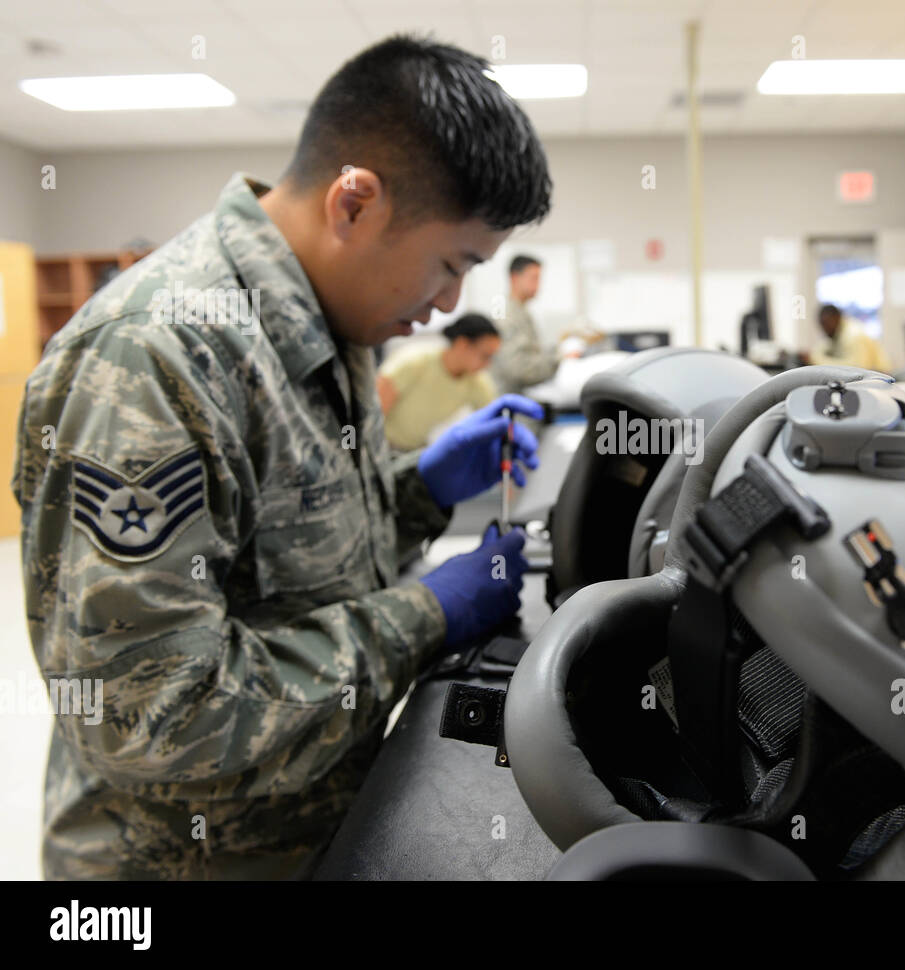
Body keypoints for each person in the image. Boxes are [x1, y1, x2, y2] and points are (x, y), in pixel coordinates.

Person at [12, 35, 552, 879]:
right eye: (451, 264)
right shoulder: (158, 355)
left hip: (313, 832)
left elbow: (278, 557)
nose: (449, 302)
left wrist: (420, 493)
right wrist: (430, 614)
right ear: (355, 203)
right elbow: (152, 713)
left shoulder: (332, 321)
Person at [377, 313, 502, 451]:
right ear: (463, 344)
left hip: (415, 449)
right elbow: (373, 414)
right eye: (485, 356)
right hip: (381, 444)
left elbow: (495, 421)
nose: (488, 364)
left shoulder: (477, 382)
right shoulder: (413, 362)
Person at [490, 254, 564, 393]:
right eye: (533, 278)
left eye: (539, 279)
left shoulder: (521, 310)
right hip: (507, 397)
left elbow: (531, 352)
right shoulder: (503, 311)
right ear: (514, 277)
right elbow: (518, 368)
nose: (538, 285)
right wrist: (558, 359)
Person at [808, 303, 892, 374]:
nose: (824, 329)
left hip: (881, 376)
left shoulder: (854, 335)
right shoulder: (836, 333)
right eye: (822, 325)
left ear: (837, 318)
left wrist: (815, 359)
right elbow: (821, 349)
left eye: (826, 324)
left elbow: (858, 369)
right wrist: (811, 356)